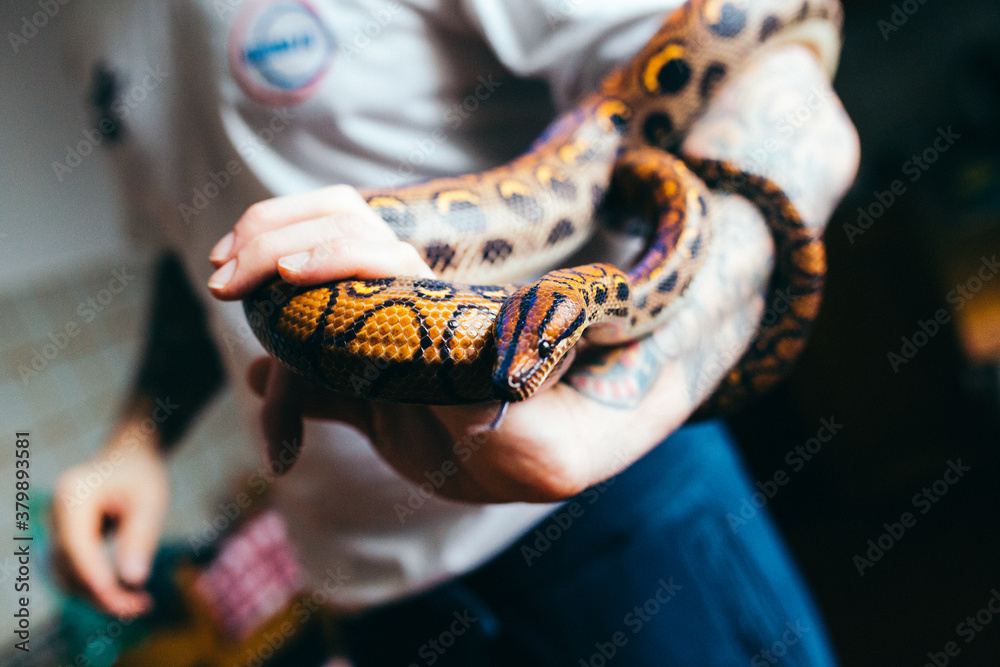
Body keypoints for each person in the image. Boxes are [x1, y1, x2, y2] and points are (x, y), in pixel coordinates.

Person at [51, 0, 859, 663]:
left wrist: (596, 421)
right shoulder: (92, 27)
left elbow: (785, 108)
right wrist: (138, 437)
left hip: (618, 524)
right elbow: (204, 245)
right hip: (369, 593)